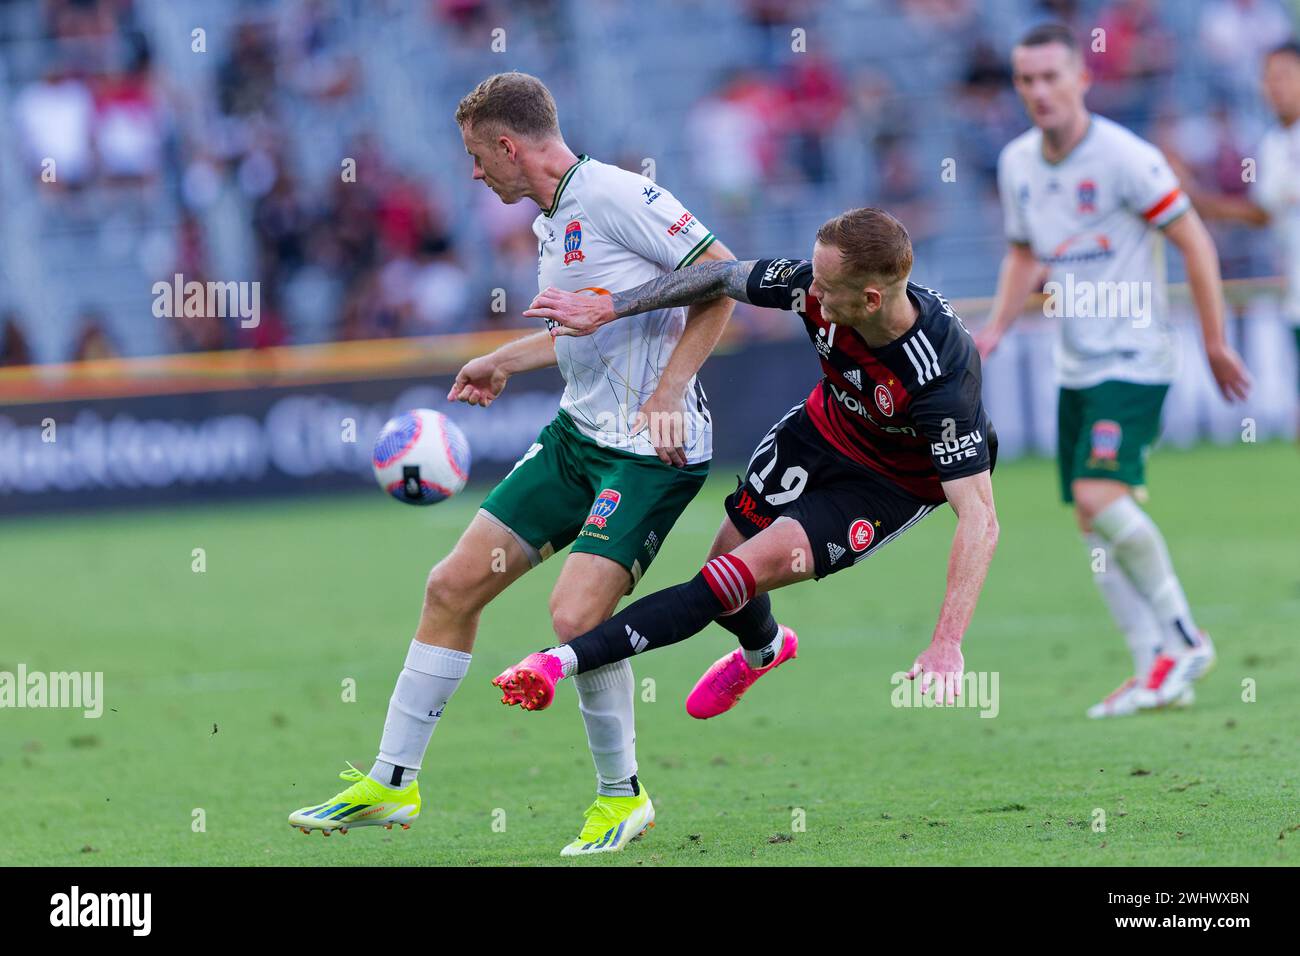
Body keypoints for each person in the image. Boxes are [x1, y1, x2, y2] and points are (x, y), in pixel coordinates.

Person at [289, 71, 736, 856]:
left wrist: (670, 389)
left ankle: (621, 798)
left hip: (649, 453)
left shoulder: (613, 194)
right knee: (451, 585)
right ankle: (392, 784)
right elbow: (588, 330)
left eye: (474, 156)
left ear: (506, 144)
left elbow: (724, 277)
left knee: (574, 617)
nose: (472, 173)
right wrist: (507, 360)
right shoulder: (553, 220)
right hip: (578, 438)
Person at [492, 208, 999, 743]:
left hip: (886, 485)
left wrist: (947, 642)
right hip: (822, 432)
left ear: (871, 299)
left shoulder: (942, 375)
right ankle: (767, 649)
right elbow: (718, 276)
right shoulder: (814, 284)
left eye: (826, 289)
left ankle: (555, 662)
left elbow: (981, 518)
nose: (812, 295)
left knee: (723, 582)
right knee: (725, 578)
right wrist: (610, 307)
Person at [975, 23, 1252, 719]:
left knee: (1100, 494)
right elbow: (1019, 253)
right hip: (1075, 365)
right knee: (1091, 524)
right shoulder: (1017, 164)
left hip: (1135, 355)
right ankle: (1150, 668)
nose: (1039, 91)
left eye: (1050, 77)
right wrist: (999, 325)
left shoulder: (1126, 157)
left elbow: (1194, 240)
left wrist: (1216, 341)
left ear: (1081, 80)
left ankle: (1186, 638)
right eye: (1026, 80)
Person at [1182, 40, 1300, 437]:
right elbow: (1262, 213)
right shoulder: (1273, 145)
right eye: (1268, 78)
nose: (1273, 86)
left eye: (1283, 76)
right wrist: (1191, 200)